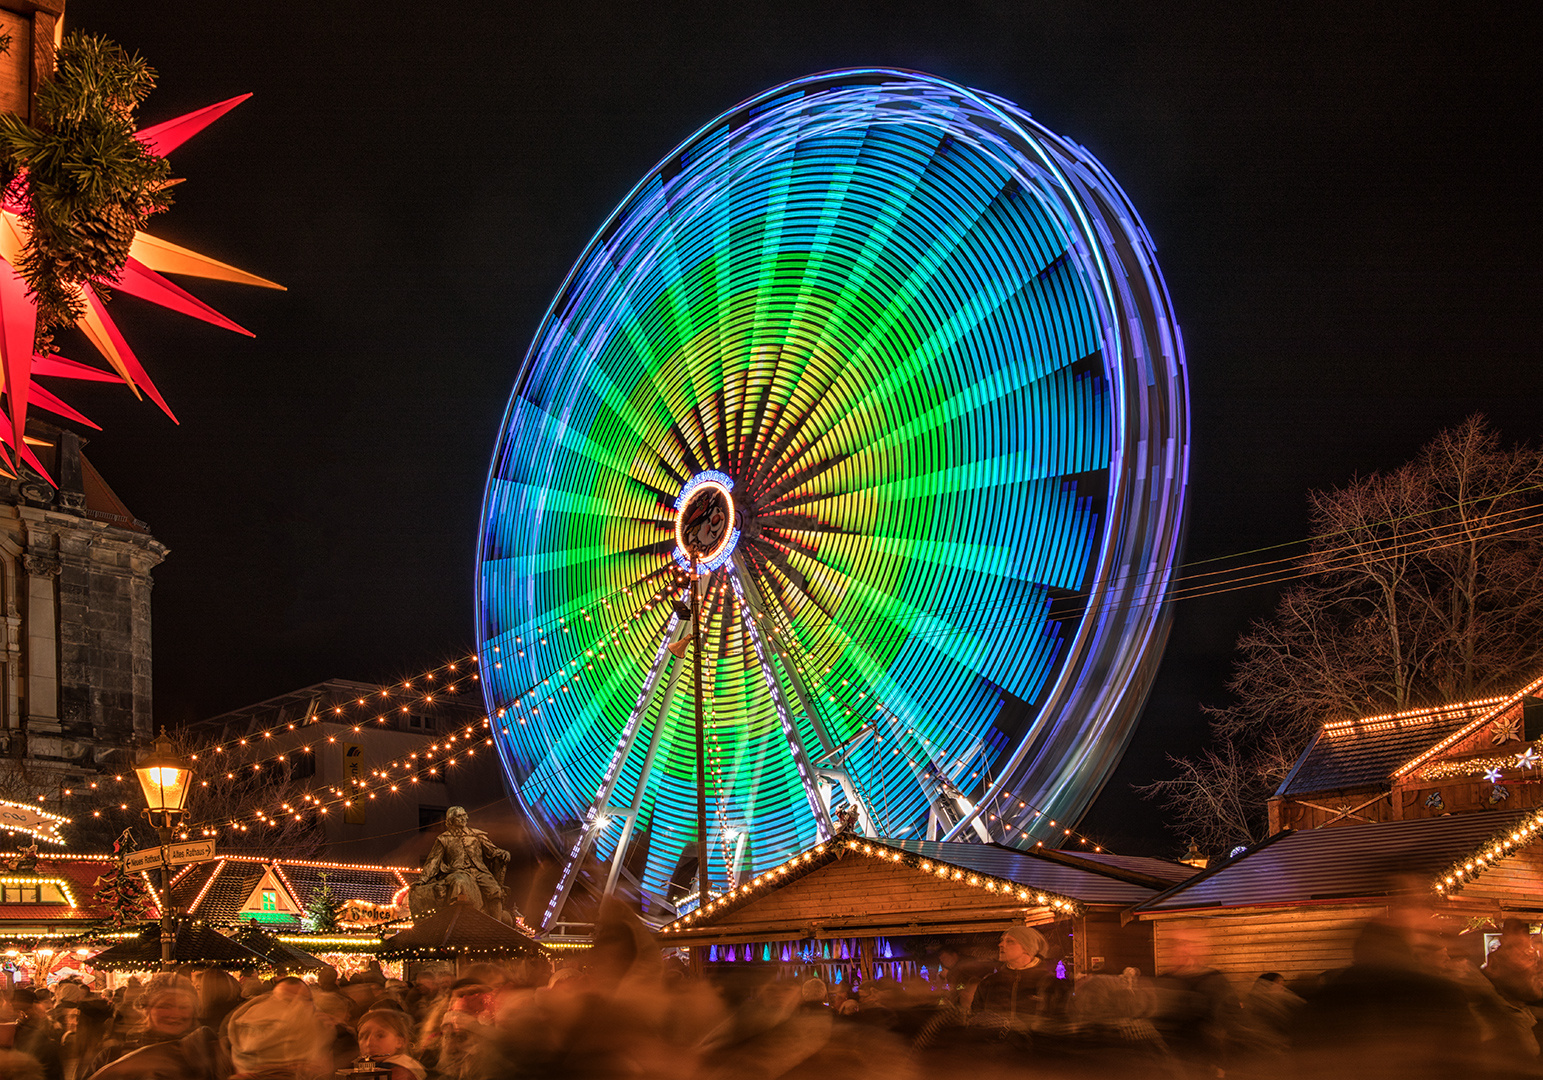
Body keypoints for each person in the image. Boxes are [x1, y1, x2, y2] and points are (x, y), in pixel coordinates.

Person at [409, 807, 512, 922]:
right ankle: (457, 920)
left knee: (495, 890)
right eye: (459, 816)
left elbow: (492, 850)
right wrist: (423, 879)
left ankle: (496, 924)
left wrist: (503, 853)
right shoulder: (444, 839)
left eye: (464, 815)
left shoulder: (476, 835)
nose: (464, 818)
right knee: (459, 883)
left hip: (479, 871)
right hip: (457, 871)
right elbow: (433, 861)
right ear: (451, 819)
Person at [970, 925, 1053, 1034]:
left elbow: (1059, 1025)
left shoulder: (1050, 984)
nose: (1000, 945)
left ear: (1028, 948)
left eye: (1010, 941)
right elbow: (975, 1017)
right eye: (1001, 941)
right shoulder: (989, 983)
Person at [353, 1009, 425, 1080]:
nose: (369, 1043)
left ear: (400, 1042)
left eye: (380, 1036)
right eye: (363, 1036)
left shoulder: (397, 1073)